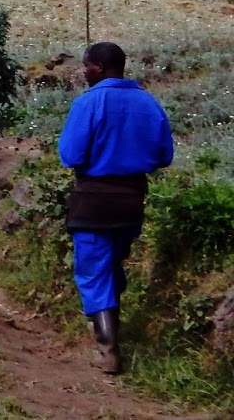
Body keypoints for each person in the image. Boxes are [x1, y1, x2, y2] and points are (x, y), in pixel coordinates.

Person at [58, 41, 174, 374]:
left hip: (93, 201)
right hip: (131, 202)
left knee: (93, 271)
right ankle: (108, 327)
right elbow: (163, 155)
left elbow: (71, 155)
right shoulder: (148, 103)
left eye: (85, 65)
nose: (82, 71)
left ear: (98, 67)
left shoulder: (87, 103)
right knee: (111, 265)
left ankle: (107, 348)